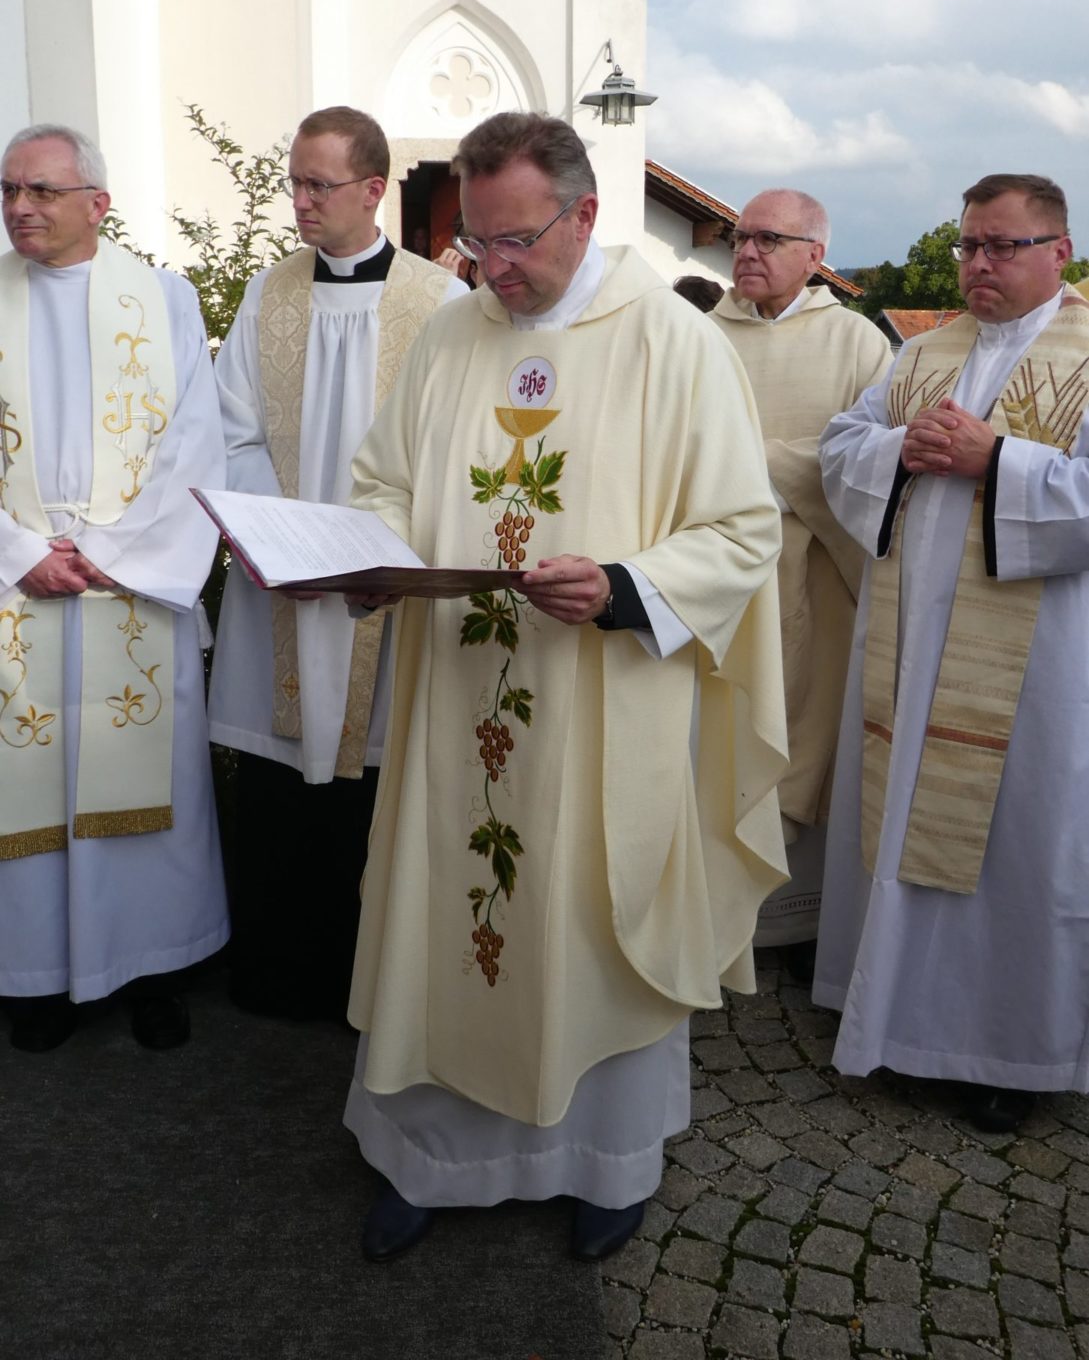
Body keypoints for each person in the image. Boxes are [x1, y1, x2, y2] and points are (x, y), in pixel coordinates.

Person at [341, 111, 788, 1263]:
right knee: (451, 918)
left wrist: (628, 586)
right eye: (475, 241)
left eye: (517, 240)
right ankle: (431, 1158)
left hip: (605, 708)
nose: (494, 267)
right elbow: (382, 481)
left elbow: (743, 531)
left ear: (585, 214)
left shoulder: (672, 340)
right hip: (457, 700)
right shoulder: (452, 334)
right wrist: (368, 555)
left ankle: (605, 1163)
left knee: (589, 926)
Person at [814, 173, 1089, 1134]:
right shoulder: (923, 351)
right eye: (970, 245)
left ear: (1058, 251)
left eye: (1002, 246)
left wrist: (997, 460)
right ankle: (889, 1012)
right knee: (899, 821)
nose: (978, 264)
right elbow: (838, 447)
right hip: (908, 648)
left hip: (1036, 667)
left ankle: (1005, 1051)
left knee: (1018, 842)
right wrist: (896, 450)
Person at [207, 107, 466, 1021]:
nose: (301, 201)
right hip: (280, 573)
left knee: (378, 775)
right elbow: (231, 428)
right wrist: (277, 537)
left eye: (318, 184)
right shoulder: (267, 295)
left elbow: (452, 447)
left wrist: (377, 553)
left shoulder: (441, 304)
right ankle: (276, 973)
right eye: (294, 183)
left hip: (382, 581)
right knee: (281, 783)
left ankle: (372, 982)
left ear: (373, 189)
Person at [0, 124, 228, 1052]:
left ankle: (152, 967)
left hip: (129, 580)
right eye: (9, 190)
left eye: (41, 191)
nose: (20, 207)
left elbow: (196, 441)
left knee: (145, 789)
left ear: (97, 204)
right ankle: (36, 977)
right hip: (16, 586)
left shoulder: (164, 300)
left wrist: (112, 554)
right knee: (27, 783)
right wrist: (20, 551)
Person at [710, 191, 891, 978]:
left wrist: (759, 467)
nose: (746, 251)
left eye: (767, 239)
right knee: (722, 735)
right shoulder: (701, 334)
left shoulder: (856, 341)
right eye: (739, 237)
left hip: (816, 576)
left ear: (814, 256)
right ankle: (717, 915)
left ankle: (801, 924)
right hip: (719, 578)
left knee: (805, 731)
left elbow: (875, 455)